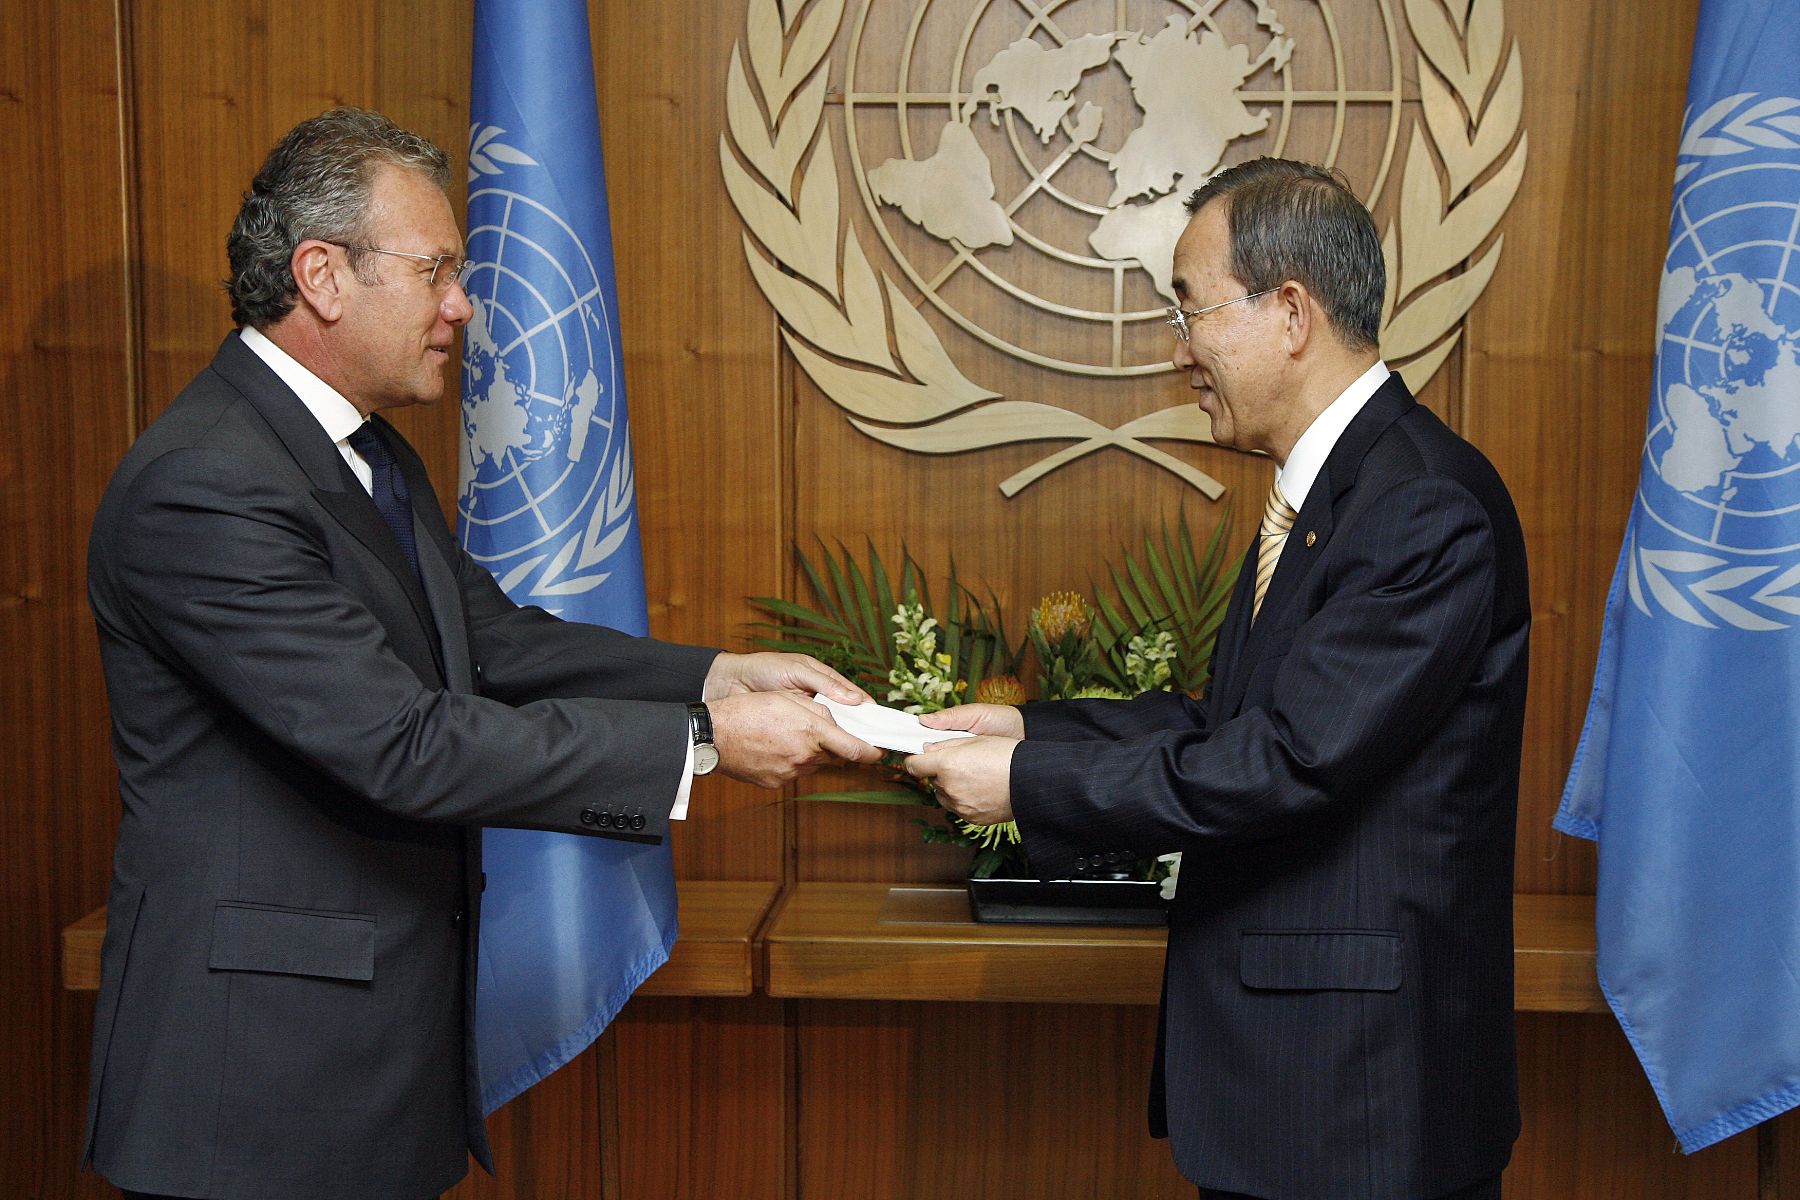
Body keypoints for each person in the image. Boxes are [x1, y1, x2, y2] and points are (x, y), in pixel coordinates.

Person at [82, 108, 879, 1200]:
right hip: (256, 1088)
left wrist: (712, 675)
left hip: (370, 1062)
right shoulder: (206, 483)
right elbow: (400, 744)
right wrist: (699, 745)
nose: (463, 305)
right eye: (438, 271)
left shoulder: (367, 451)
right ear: (322, 275)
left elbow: (492, 641)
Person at [907, 158, 1529, 1200]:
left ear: (1291, 311)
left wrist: (1024, 791)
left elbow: (1287, 762)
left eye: (1190, 311)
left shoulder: (1421, 506)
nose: (1180, 351)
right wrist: (1029, 737)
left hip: (1361, 1099)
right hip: (1304, 1088)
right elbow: (1235, 723)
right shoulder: (1336, 489)